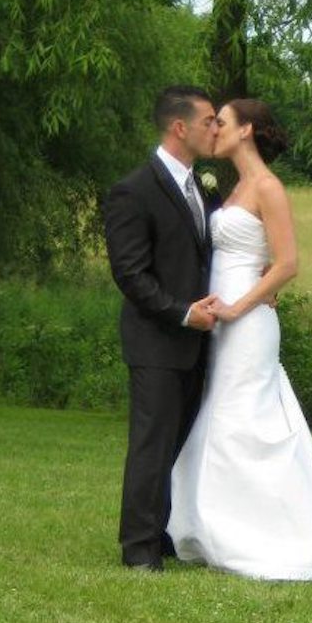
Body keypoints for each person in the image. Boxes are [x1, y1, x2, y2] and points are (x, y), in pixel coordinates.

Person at [167, 98, 312, 580]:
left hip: (247, 322)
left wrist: (241, 304)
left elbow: (288, 263)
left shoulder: (268, 188)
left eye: (224, 123)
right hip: (221, 318)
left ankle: (267, 536)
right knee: (220, 416)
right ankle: (210, 526)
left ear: (247, 130)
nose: (215, 131)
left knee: (245, 421)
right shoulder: (233, 190)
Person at [102, 86, 221, 570]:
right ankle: (139, 549)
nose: (216, 129)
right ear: (180, 127)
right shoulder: (134, 190)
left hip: (196, 343)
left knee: (178, 444)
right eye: (210, 121)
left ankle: (165, 532)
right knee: (152, 445)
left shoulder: (202, 186)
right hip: (156, 341)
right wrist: (182, 312)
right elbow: (131, 274)